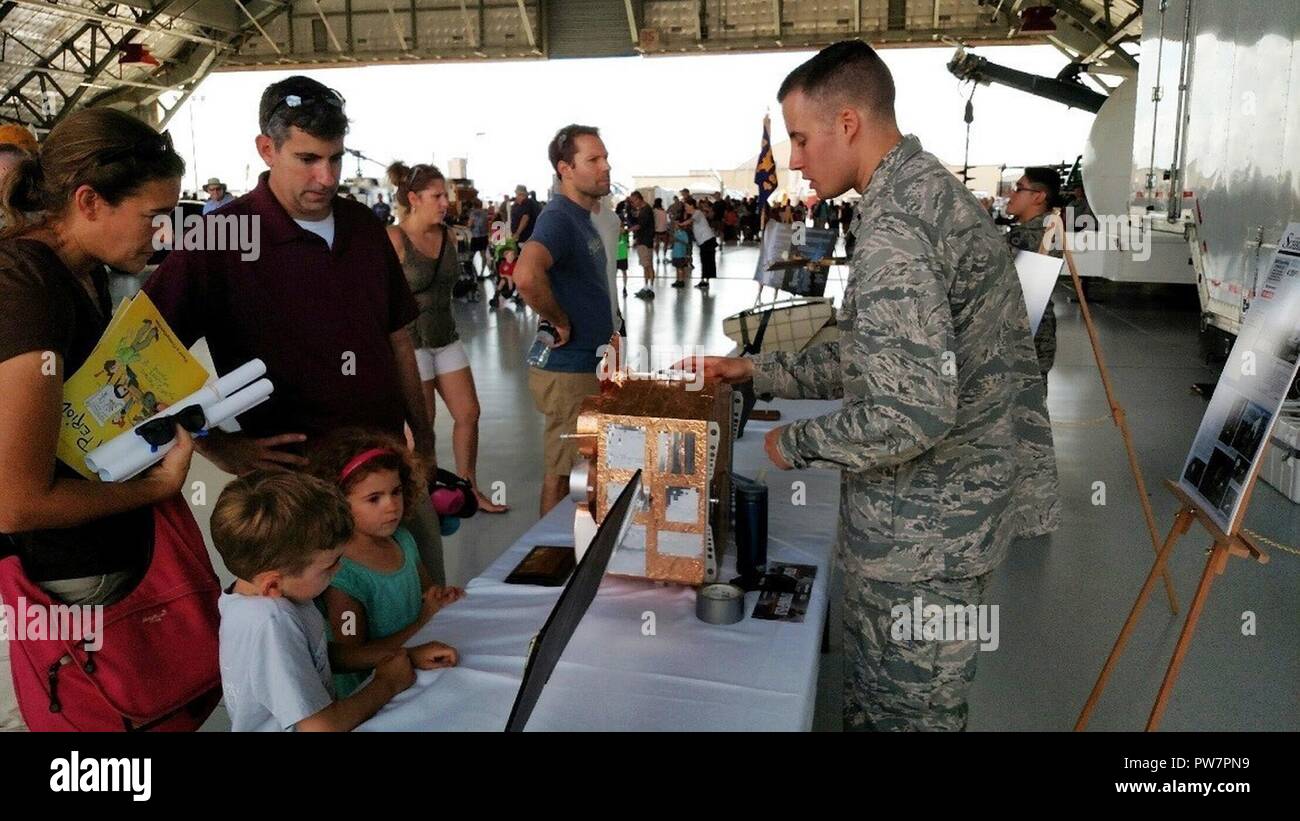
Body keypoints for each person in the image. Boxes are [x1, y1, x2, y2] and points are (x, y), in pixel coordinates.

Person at [683, 40, 1059, 732]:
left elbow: (909, 410)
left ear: (847, 123)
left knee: (902, 717)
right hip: (948, 523)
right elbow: (872, 354)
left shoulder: (897, 227)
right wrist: (758, 370)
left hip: (920, 539)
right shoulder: (923, 194)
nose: (794, 158)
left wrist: (793, 443)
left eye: (800, 137)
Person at [144, 76, 450, 583]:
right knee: (324, 641)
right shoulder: (219, 239)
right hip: (296, 492)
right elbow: (145, 354)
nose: (326, 177)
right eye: (307, 159)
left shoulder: (362, 228)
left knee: (424, 603)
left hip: (386, 474)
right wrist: (217, 445)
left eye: (336, 158)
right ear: (267, 149)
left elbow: (398, 338)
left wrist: (424, 438)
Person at [0, 108, 214, 730]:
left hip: (106, 565)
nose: (163, 234)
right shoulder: (26, 286)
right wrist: (153, 487)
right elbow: (16, 502)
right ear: (89, 201)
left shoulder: (81, 272)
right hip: (65, 583)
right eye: (153, 216)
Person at [212, 470, 454, 731]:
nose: (338, 570)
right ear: (272, 584)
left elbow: (317, 655)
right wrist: (388, 684)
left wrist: (402, 656)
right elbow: (321, 727)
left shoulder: (267, 593)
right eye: (329, 565)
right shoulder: (272, 621)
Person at [385, 161, 507, 513]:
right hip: (412, 346)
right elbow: (375, 296)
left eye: (446, 196)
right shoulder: (395, 238)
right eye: (437, 196)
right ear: (414, 198)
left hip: (446, 338)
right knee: (423, 431)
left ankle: (468, 489)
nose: (445, 203)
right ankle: (421, 502)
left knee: (469, 413)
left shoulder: (448, 236)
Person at [308, 428, 463, 697]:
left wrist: (439, 597)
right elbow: (352, 654)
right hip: (375, 692)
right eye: (374, 499)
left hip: (419, 666)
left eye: (396, 492)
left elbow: (426, 591)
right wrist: (422, 622)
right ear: (338, 503)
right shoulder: (343, 575)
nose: (391, 506)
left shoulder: (403, 539)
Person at [513, 124, 613, 516]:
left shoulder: (582, 218)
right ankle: (548, 560)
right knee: (562, 471)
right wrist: (559, 320)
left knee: (580, 466)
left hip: (589, 363)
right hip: (567, 369)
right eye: (593, 159)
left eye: (605, 157)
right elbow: (525, 275)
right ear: (565, 169)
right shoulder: (558, 218)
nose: (606, 166)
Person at [1004, 167, 1062, 381]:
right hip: (1038, 337)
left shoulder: (1027, 236)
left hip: (1021, 340)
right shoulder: (1050, 228)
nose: (1011, 194)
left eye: (1019, 188)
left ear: (1038, 196)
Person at [682, 196, 717, 289]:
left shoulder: (697, 213)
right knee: (705, 261)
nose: (685, 208)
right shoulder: (696, 214)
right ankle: (704, 281)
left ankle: (705, 281)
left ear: (691, 206)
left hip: (707, 240)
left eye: (686, 206)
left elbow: (690, 221)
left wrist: (681, 224)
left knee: (707, 261)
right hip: (704, 241)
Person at [629, 191, 656, 299]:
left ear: (639, 199)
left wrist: (627, 230)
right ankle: (646, 287)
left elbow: (639, 226)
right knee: (646, 266)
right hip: (644, 241)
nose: (633, 203)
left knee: (647, 265)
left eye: (633, 201)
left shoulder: (645, 210)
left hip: (645, 241)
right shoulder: (644, 209)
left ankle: (650, 289)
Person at [467, 198, 491, 275]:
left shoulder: (473, 213)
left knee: (471, 255)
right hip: (484, 236)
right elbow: (488, 225)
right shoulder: (485, 213)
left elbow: (470, 224)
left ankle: (471, 272)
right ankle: (482, 272)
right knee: (483, 255)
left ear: (474, 205)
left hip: (476, 237)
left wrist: (469, 227)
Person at [653, 197, 669, 263]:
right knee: (665, 244)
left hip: (657, 230)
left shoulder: (654, 211)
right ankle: (664, 256)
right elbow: (665, 221)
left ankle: (657, 257)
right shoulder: (664, 211)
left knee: (657, 245)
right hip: (664, 229)